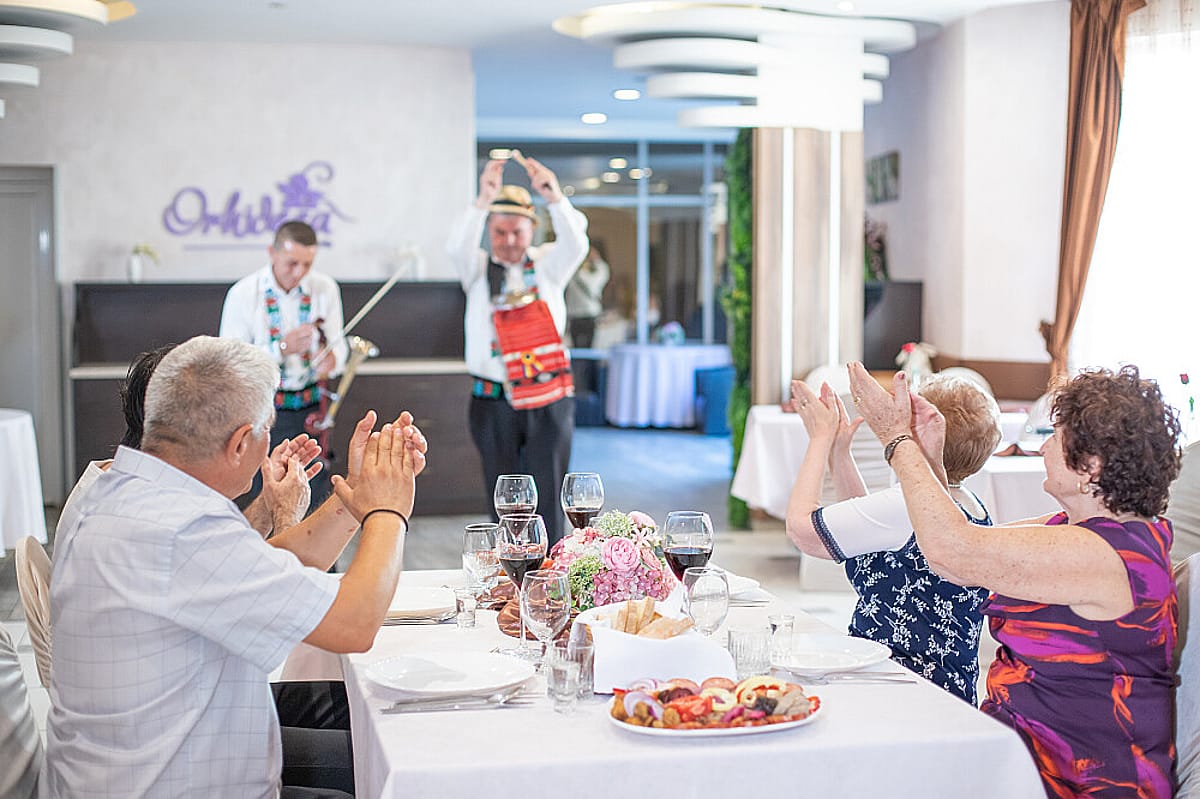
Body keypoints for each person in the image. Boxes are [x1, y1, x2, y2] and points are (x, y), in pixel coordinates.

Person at [45, 336, 426, 798]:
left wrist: (358, 498)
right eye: (266, 428)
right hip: (172, 783)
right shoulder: (181, 527)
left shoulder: (123, 490)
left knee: (373, 734)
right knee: (402, 765)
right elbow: (355, 622)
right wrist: (389, 511)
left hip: (134, 764)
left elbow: (265, 567)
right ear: (242, 443)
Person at [848, 362, 1180, 798]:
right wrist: (928, 460)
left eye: (1055, 439)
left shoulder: (1104, 556)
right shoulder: (1084, 531)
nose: (1043, 450)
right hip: (1021, 755)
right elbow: (953, 558)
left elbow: (955, 551)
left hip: (1079, 778)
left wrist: (897, 439)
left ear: (1091, 468)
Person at [785, 374, 1001, 703]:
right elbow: (867, 537)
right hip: (947, 687)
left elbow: (802, 531)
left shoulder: (907, 506)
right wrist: (839, 454)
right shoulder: (967, 503)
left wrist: (819, 439)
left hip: (895, 686)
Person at [447, 155, 589, 545]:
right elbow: (455, 245)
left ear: (533, 231)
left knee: (548, 492)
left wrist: (553, 196)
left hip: (548, 398)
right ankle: (509, 580)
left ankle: (551, 580)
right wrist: (483, 199)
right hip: (492, 400)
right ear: (489, 232)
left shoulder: (548, 266)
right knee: (503, 496)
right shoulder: (475, 268)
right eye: (500, 232)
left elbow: (577, 241)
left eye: (518, 232)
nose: (509, 241)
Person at [220, 220, 348, 510]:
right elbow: (231, 362)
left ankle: (317, 556)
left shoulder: (324, 288)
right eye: (292, 263)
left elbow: (339, 346)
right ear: (272, 253)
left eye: (307, 264)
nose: (300, 272)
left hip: (311, 405)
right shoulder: (243, 293)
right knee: (263, 493)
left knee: (315, 491)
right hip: (263, 410)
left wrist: (333, 360)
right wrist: (282, 348)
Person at [565, 245, 610, 348]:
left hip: (589, 313)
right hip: (575, 314)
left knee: (589, 346)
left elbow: (595, 282)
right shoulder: (574, 271)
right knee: (576, 346)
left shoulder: (599, 271)